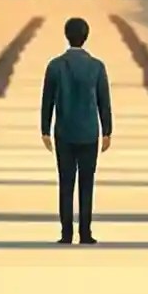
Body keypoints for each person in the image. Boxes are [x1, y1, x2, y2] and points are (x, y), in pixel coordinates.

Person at [40, 17, 112, 244]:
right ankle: (86, 233)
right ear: (86, 36)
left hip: (64, 132)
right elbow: (104, 101)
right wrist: (107, 131)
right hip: (90, 132)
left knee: (65, 183)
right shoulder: (97, 66)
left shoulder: (54, 66)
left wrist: (45, 129)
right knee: (87, 184)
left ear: (66, 35)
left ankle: (66, 233)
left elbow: (47, 101)